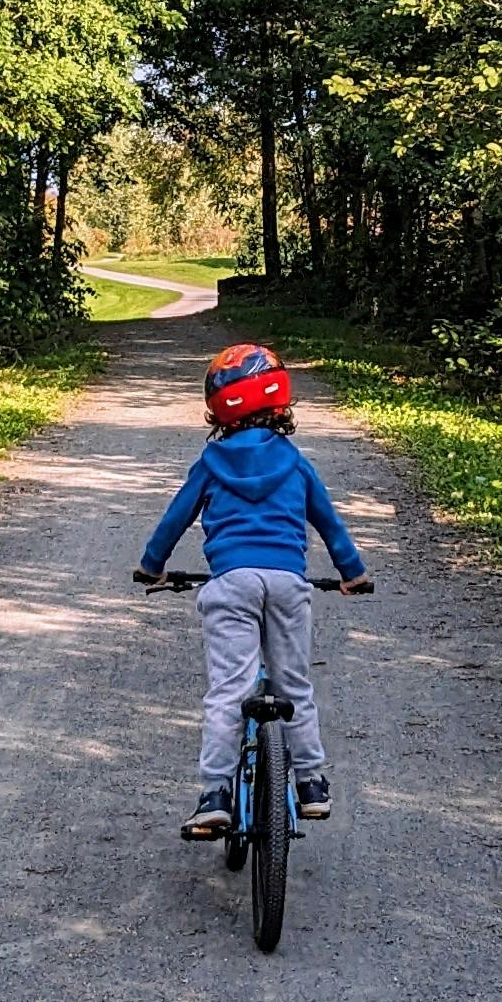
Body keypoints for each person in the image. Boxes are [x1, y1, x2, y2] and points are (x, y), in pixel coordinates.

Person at [135, 342, 374, 836]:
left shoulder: (210, 463)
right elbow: (329, 525)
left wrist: (152, 567)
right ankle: (310, 781)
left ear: (218, 410)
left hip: (232, 585)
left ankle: (215, 795)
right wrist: (352, 573)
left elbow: (174, 520)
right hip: (287, 584)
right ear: (280, 403)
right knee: (295, 687)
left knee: (229, 692)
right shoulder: (295, 462)